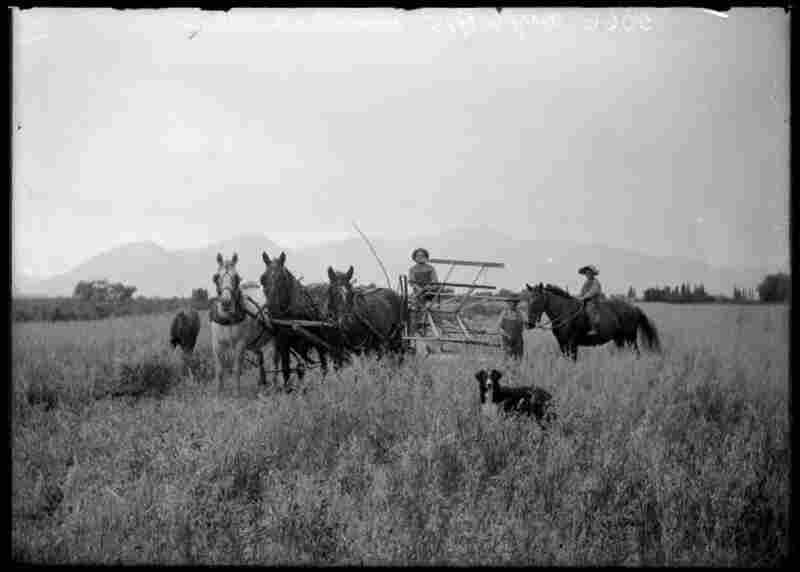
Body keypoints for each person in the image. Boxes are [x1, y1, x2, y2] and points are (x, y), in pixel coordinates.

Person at [408, 248, 439, 334]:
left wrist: (428, 287)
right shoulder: (412, 269)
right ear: (414, 258)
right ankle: (413, 329)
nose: (420, 257)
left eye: (422, 255)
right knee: (411, 309)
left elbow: (435, 281)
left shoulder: (431, 268)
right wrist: (419, 289)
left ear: (426, 257)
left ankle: (431, 327)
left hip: (430, 293)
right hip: (417, 294)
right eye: (418, 256)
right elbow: (412, 282)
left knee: (431, 308)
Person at [577, 265, 604, 335]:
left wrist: (583, 297)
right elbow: (582, 292)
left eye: (589, 273)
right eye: (586, 273)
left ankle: (593, 328)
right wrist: (578, 297)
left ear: (592, 274)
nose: (587, 275)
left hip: (594, 301)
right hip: (585, 301)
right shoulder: (586, 283)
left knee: (589, 309)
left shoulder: (596, 282)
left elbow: (593, 292)